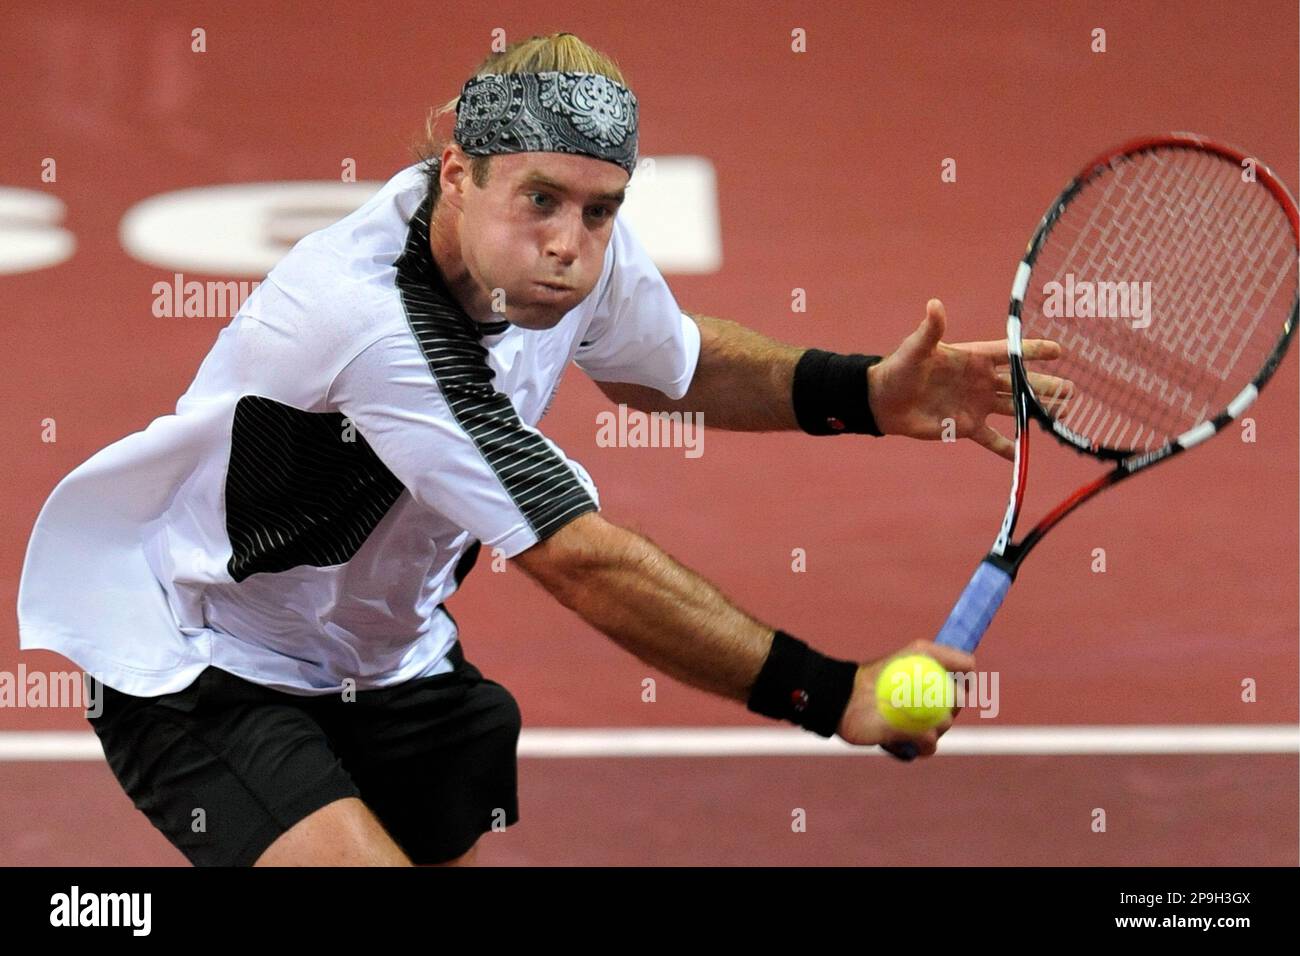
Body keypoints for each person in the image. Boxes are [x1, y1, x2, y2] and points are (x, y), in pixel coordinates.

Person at [17, 32, 1067, 866]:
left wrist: (861, 393)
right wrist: (831, 691)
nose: (570, 240)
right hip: (204, 656)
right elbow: (577, 557)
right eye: (540, 202)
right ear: (456, 173)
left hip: (390, 655)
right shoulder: (374, 322)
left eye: (599, 208)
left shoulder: (569, 251)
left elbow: (677, 364)